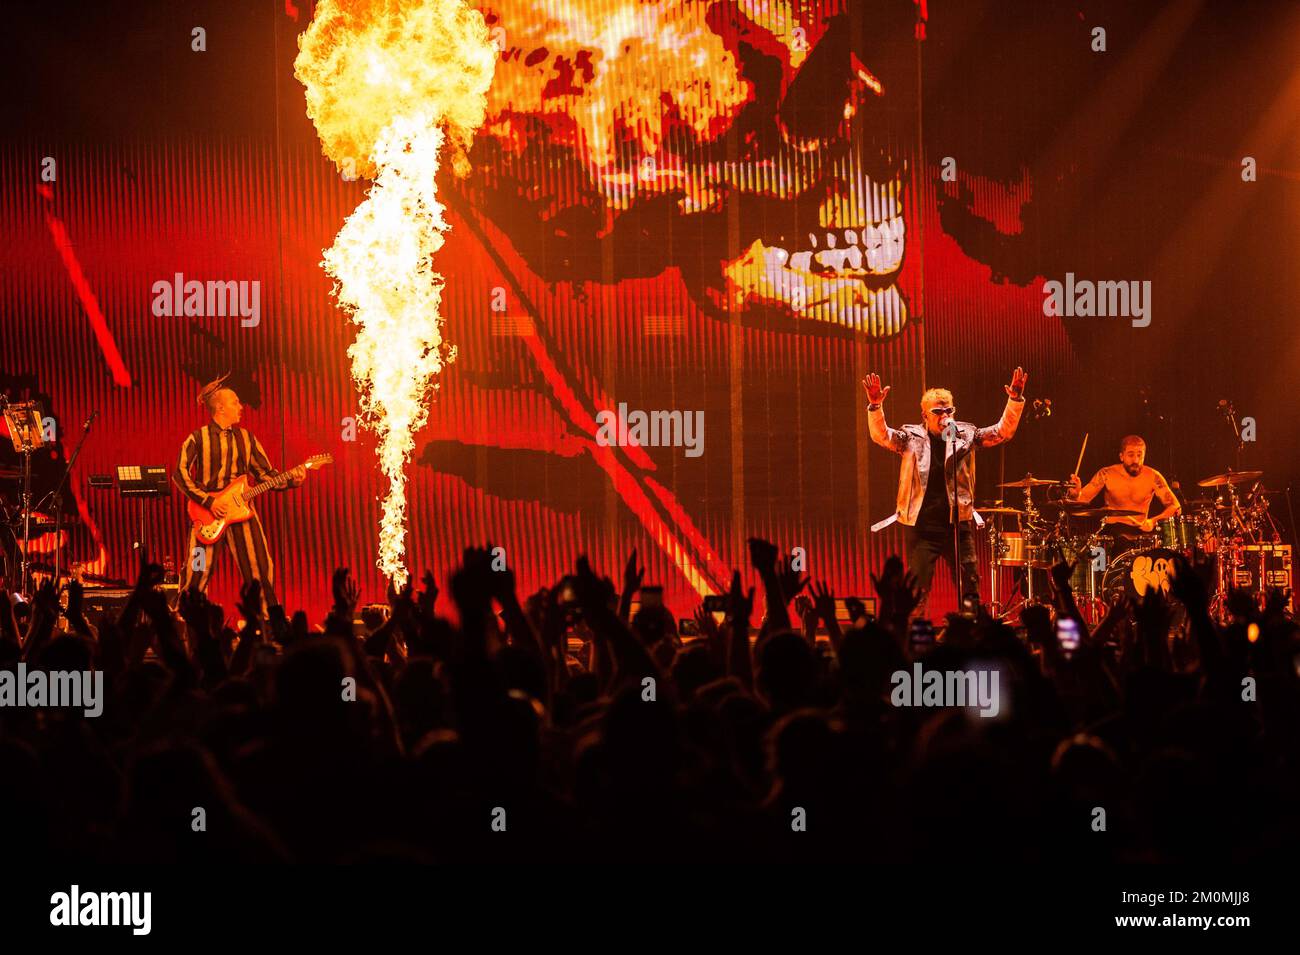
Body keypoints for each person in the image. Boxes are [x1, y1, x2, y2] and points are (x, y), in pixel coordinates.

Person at [863, 368, 1028, 612]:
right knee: (916, 591)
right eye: (937, 411)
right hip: (923, 527)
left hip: (957, 525)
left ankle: (969, 635)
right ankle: (915, 639)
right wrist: (876, 407)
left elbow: (1001, 432)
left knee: (970, 585)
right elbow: (882, 436)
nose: (944, 415)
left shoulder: (965, 435)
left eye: (949, 410)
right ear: (925, 416)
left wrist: (1014, 400)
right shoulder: (911, 437)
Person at [173, 375, 306, 607]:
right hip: (205, 517)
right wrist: (208, 502)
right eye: (235, 402)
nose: (241, 407)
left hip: (242, 513)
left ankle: (266, 624)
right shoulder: (197, 438)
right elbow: (180, 474)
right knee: (197, 570)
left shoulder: (247, 439)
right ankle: (185, 625)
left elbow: (265, 474)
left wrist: (292, 481)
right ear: (220, 407)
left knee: (260, 569)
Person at [1066, 434, 1180, 554]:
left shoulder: (1153, 476)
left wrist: (1153, 522)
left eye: (1139, 455)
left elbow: (1175, 506)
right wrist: (1075, 494)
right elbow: (1082, 499)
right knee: (1098, 553)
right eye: (1131, 455)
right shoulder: (1106, 474)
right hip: (1113, 531)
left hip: (1140, 533)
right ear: (1121, 456)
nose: (1135, 460)